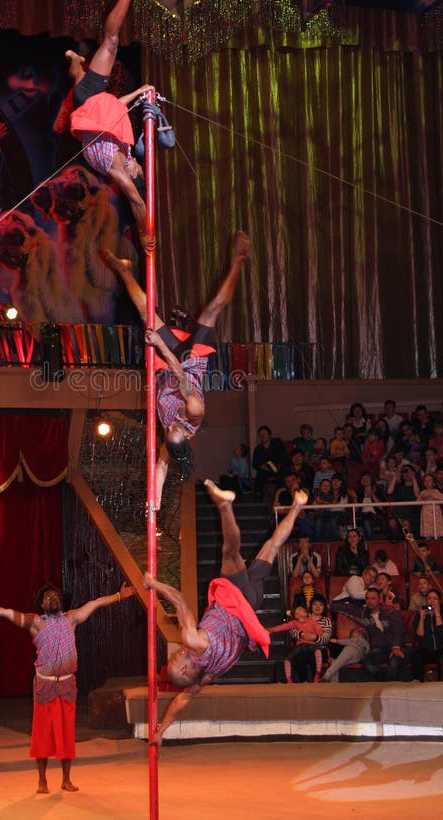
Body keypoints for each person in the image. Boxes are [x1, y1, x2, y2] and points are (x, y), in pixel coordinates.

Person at [143, 484, 308, 745]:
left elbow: (181, 700)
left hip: (251, 606)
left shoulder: (205, 677)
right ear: (185, 669)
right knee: (230, 552)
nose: (175, 655)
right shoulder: (194, 642)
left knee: (271, 546)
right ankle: (224, 506)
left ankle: (297, 507)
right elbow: (180, 600)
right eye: (175, 660)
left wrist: (161, 732)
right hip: (235, 598)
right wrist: (154, 584)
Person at [103, 231, 251, 508]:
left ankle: (122, 270)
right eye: (174, 427)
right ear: (184, 433)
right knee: (213, 309)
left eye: (166, 429)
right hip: (189, 360)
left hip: (169, 364)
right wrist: (159, 342)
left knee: (144, 309)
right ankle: (239, 260)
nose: (168, 424)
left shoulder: (170, 444)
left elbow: (160, 468)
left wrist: (155, 501)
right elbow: (180, 373)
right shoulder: (194, 411)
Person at [0, 580, 135, 793]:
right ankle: (42, 780)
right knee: (43, 735)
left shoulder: (71, 618)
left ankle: (66, 780)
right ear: (41, 604)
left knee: (66, 734)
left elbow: (95, 603)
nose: (53, 598)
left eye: (55, 596)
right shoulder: (35, 622)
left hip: (66, 686)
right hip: (45, 687)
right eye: (48, 597)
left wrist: (119, 596)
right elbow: (4, 612)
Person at [69, 0, 158, 252]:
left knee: (111, 41)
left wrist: (145, 234)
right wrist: (140, 90)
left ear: (134, 174)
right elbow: (114, 108)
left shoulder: (118, 170)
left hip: (91, 100)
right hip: (91, 102)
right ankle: (74, 61)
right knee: (83, 77)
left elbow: (137, 202)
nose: (138, 163)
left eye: (139, 168)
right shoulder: (121, 151)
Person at [334, 587, 411, 681]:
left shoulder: (390, 612)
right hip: (383, 649)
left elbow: (398, 630)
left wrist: (396, 646)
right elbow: (348, 608)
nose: (369, 601)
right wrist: (328, 606)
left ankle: (389, 686)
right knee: (367, 663)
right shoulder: (364, 614)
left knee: (394, 662)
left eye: (373, 598)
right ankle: (386, 682)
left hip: (401, 645)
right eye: (367, 598)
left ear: (380, 600)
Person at [267, 605, 325, 683]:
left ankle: (317, 674)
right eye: (300, 609)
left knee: (318, 651)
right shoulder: (294, 623)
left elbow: (320, 632)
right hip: (300, 645)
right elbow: (283, 627)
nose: (303, 609)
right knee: (288, 659)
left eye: (303, 609)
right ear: (296, 615)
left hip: (312, 645)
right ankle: (289, 679)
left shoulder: (312, 621)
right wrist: (272, 630)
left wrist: (313, 635)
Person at [410, 589, 443, 681]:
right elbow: (419, 638)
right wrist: (421, 620)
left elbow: (441, 635)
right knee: (416, 656)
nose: (431, 601)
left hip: (441, 648)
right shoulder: (420, 615)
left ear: (440, 601)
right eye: (429, 598)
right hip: (426, 648)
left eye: (435, 599)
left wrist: (437, 614)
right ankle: (418, 682)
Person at [252, 424, 288, 499]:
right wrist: (261, 466)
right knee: (259, 478)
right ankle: (259, 499)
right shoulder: (258, 448)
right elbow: (254, 463)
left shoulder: (277, 444)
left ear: (269, 435)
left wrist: (277, 465)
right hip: (264, 472)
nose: (262, 436)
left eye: (264, 434)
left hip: (278, 469)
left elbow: (284, 457)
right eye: (260, 434)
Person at [417, 473, 443, 538]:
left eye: (429, 480)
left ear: (434, 483)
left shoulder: (436, 491)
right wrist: (423, 499)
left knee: (436, 530)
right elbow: (417, 502)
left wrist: (432, 495)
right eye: (425, 481)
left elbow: (441, 498)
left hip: (435, 512)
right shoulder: (423, 492)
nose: (427, 482)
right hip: (425, 513)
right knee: (427, 531)